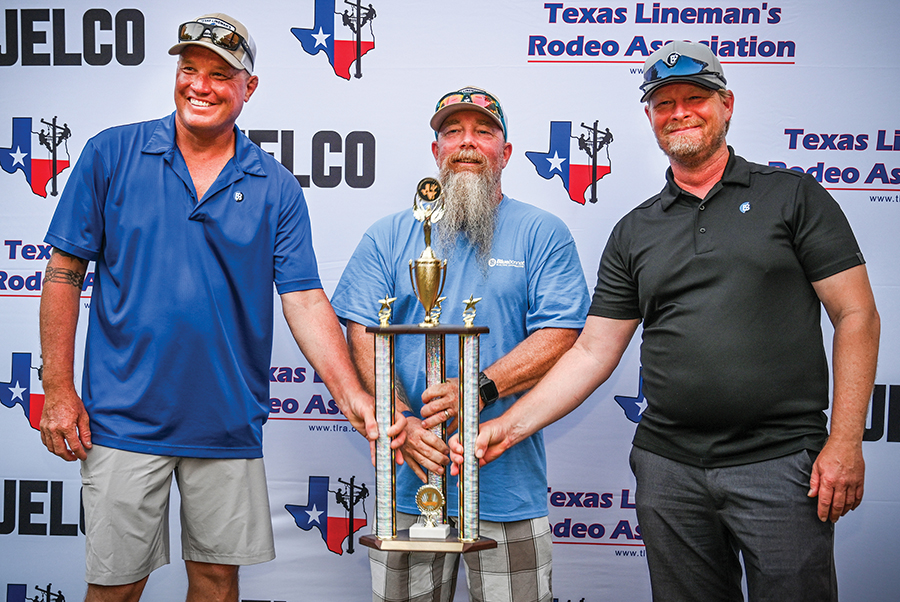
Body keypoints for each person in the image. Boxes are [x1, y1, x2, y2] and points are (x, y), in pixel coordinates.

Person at [453, 42, 880, 602]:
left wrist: (846, 440)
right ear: (650, 117)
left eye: (695, 98)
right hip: (668, 469)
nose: (679, 112)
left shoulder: (792, 196)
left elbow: (857, 314)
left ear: (726, 105)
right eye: (663, 103)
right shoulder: (635, 230)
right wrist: (505, 426)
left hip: (780, 465)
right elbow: (591, 353)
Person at [38, 13, 403, 602]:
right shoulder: (111, 153)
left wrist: (353, 395)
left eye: (219, 73)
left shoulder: (275, 185)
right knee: (114, 587)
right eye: (189, 70)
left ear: (248, 87)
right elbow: (62, 273)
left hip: (227, 422)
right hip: (123, 419)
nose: (200, 86)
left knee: (215, 581)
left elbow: (305, 299)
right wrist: (57, 387)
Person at [331, 86, 590, 602]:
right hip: (407, 483)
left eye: (483, 132)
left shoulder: (543, 232)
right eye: (452, 132)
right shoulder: (389, 234)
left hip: (504, 483)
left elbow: (562, 334)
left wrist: (479, 391)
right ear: (436, 152)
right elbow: (359, 328)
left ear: (506, 152)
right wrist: (399, 420)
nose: (467, 143)